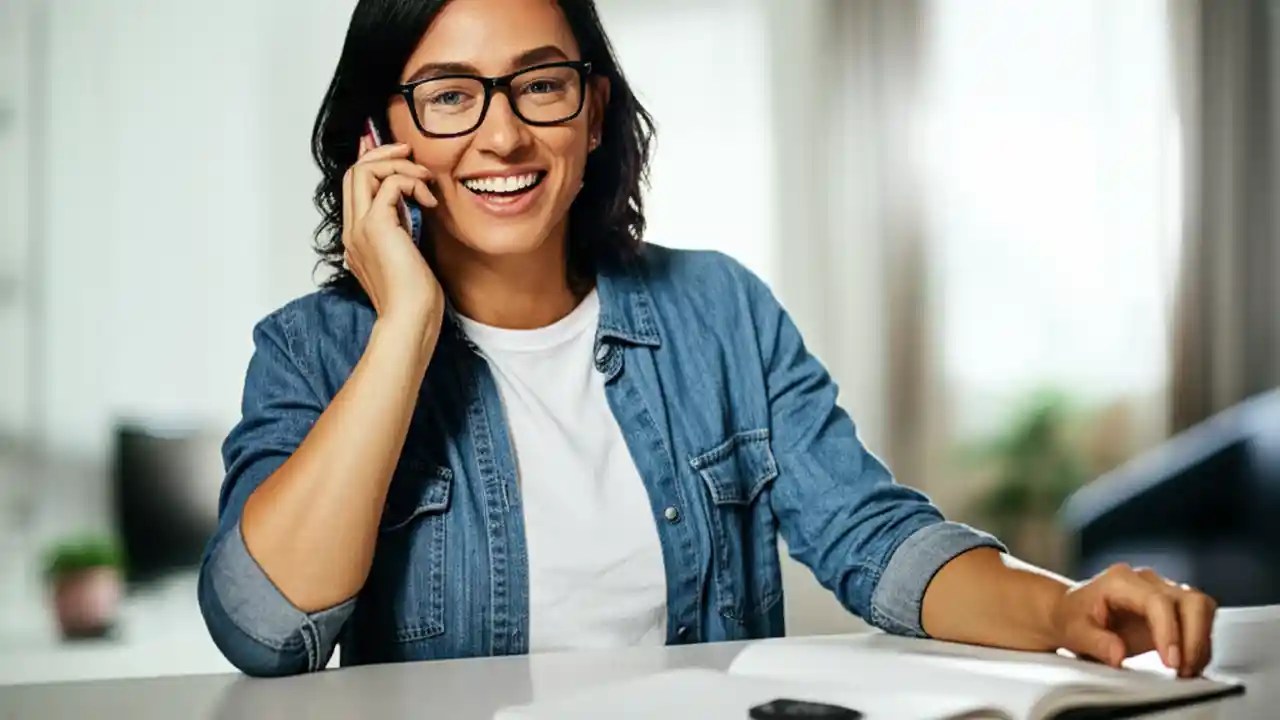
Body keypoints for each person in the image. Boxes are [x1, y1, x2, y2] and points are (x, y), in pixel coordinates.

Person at [197, 0, 1218, 679]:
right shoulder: (313, 351)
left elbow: (872, 539)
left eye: (540, 83)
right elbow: (262, 630)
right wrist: (407, 325)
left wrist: (1061, 609)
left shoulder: (717, 310)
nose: (501, 135)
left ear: (591, 112)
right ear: (382, 137)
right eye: (448, 95)